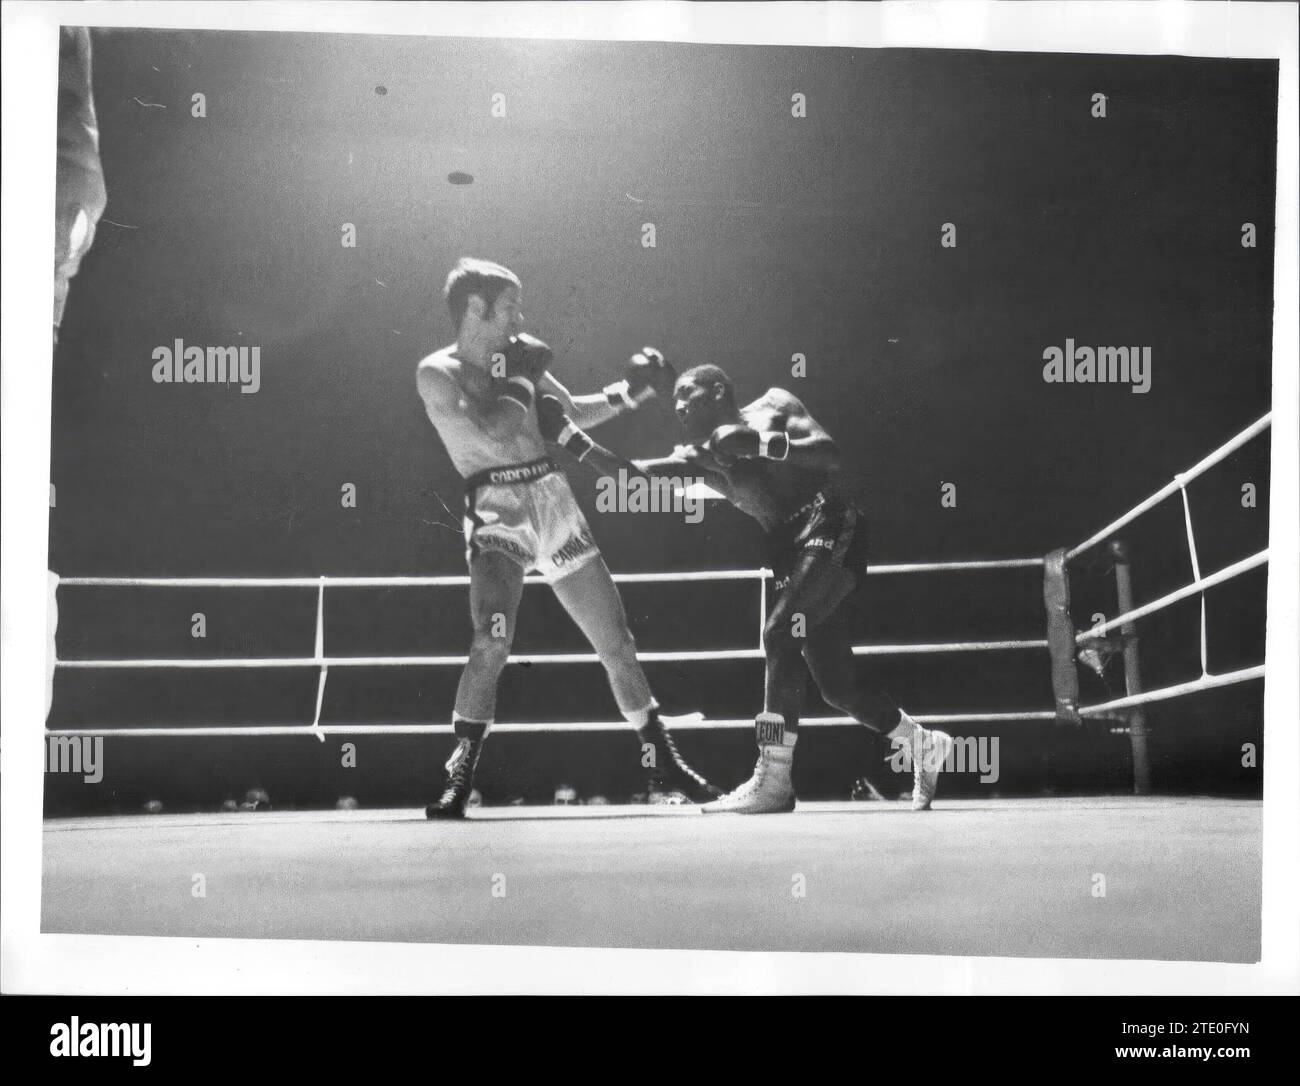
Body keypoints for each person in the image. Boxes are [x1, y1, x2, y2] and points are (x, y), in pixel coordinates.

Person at [535, 364, 953, 813]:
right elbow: (634, 478)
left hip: (830, 521)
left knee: (779, 634)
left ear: (718, 391)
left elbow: (829, 455)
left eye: (687, 393)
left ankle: (773, 778)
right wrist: (570, 437)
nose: (679, 406)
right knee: (837, 687)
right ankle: (923, 743)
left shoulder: (775, 405)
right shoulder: (698, 459)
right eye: (675, 400)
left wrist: (760, 445)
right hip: (790, 551)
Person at [416, 259, 718, 818]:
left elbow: (571, 409)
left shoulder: (519, 356)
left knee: (616, 641)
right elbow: (495, 430)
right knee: (492, 639)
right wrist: (521, 378)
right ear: (478, 308)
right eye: (510, 306)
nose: (520, 318)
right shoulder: (437, 372)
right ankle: (461, 774)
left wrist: (632, 392)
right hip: (497, 506)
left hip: (552, 498)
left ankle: (666, 764)